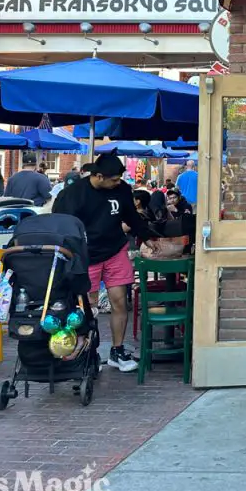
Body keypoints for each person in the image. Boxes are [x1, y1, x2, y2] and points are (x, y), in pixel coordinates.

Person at [53, 153, 158, 372]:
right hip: (85, 255)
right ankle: (87, 351)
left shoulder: (121, 190)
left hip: (115, 249)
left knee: (119, 301)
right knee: (85, 307)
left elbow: (131, 216)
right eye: (113, 179)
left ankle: (117, 351)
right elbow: (61, 224)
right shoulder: (73, 194)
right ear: (99, 176)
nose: (118, 183)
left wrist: (147, 236)